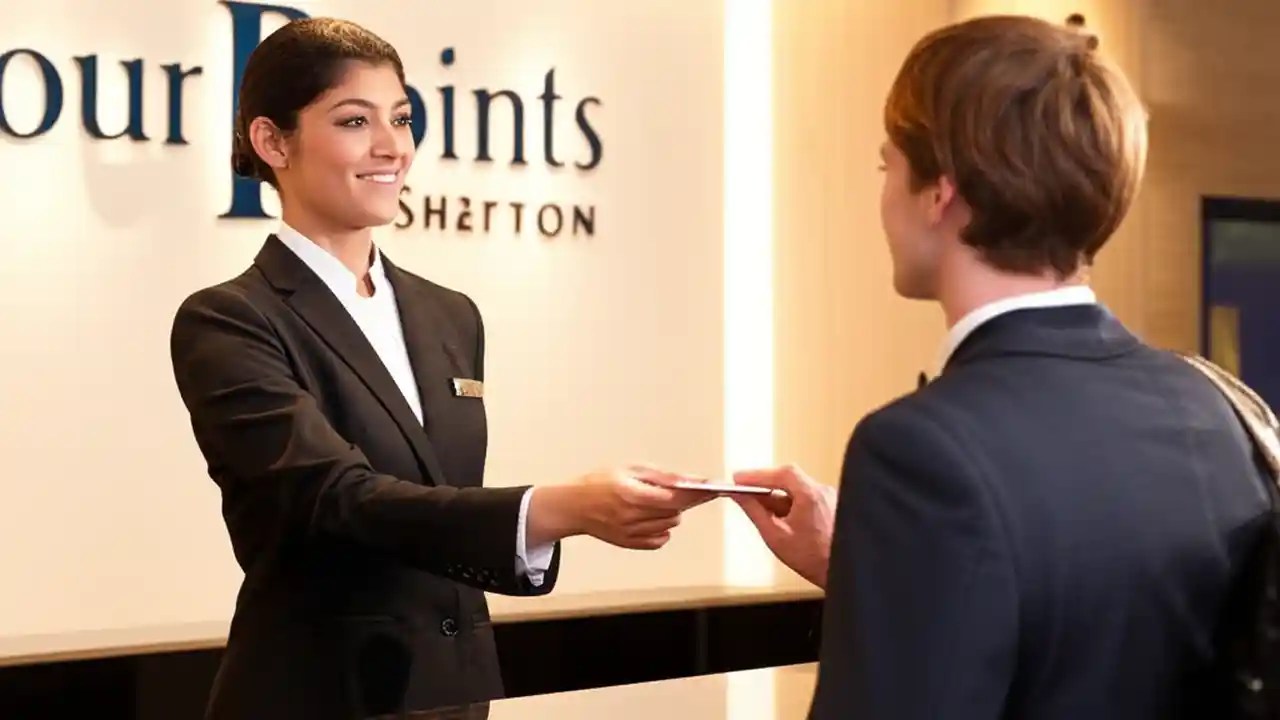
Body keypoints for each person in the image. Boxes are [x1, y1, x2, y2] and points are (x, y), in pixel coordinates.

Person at [731, 14, 1274, 720]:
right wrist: (878, 572)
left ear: (940, 191)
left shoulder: (919, 454)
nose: (883, 194)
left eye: (886, 164)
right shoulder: (1222, 410)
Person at [169, 17, 706, 719]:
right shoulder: (231, 319)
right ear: (274, 141)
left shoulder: (450, 315)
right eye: (355, 121)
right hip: (316, 697)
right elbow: (337, 501)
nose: (393, 147)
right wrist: (560, 508)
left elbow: (437, 502)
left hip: (453, 693)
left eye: (402, 118)